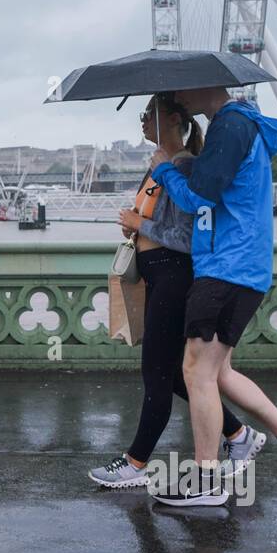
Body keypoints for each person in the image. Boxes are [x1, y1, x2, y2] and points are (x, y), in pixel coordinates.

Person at [147, 87, 277, 506]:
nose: (176, 97)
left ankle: (207, 480)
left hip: (229, 266)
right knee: (218, 372)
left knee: (196, 371)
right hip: (238, 265)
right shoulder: (239, 125)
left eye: (182, 89)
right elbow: (218, 185)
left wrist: (165, 170)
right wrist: (188, 165)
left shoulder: (230, 126)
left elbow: (197, 200)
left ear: (206, 84)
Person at [89, 94, 265, 489]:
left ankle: (135, 463)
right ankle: (238, 435)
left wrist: (142, 224)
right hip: (157, 275)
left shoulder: (183, 166)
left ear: (170, 119)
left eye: (146, 114)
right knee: (169, 376)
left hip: (173, 275)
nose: (141, 122)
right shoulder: (158, 166)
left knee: (156, 372)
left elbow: (187, 238)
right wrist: (137, 224)